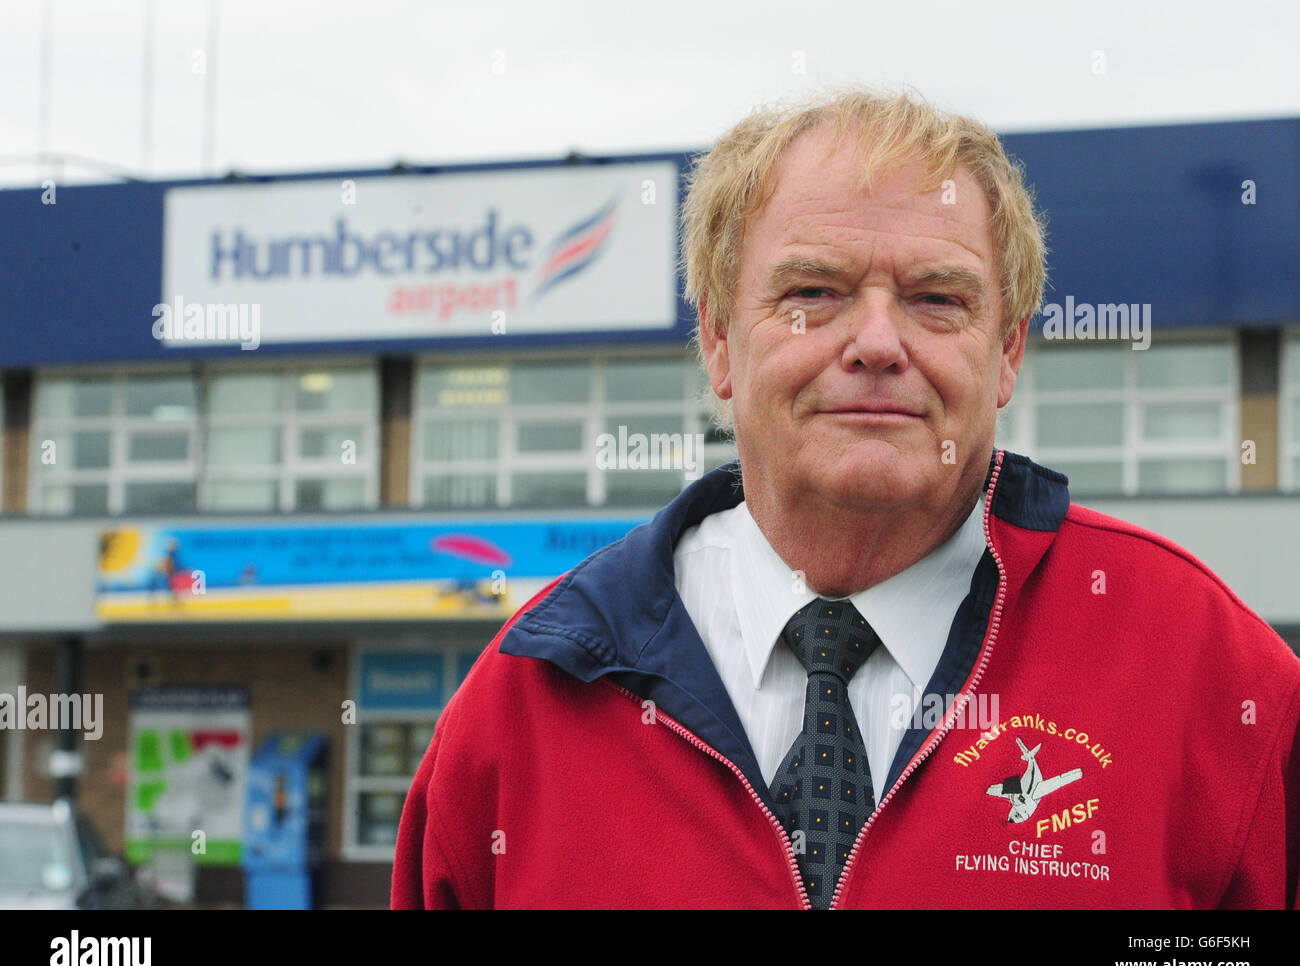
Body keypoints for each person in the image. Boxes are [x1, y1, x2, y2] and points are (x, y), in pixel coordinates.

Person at [392, 88, 1300, 909]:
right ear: (717, 338)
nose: (876, 343)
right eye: (813, 292)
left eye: (937, 298)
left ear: (1009, 352)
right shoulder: (527, 702)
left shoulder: (1214, 678)